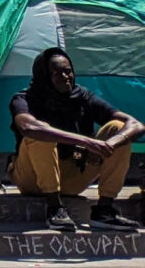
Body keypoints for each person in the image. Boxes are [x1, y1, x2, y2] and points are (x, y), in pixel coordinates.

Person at [10, 47, 142, 231]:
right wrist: (86, 142)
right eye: (57, 73)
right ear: (44, 76)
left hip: (72, 178)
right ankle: (55, 208)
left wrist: (107, 145)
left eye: (68, 71)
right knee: (42, 132)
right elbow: (28, 127)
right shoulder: (24, 99)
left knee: (119, 129)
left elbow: (136, 124)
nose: (65, 77)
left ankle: (104, 210)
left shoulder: (82, 96)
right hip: (31, 178)